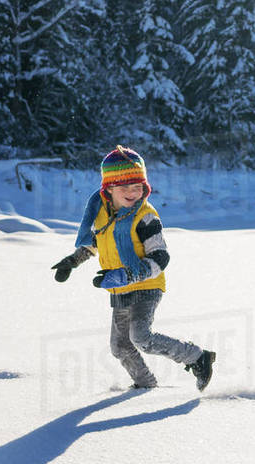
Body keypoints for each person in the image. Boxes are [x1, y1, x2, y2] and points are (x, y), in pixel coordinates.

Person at [51, 145, 215, 391]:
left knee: (141, 337)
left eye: (137, 187)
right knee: (119, 346)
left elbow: (161, 258)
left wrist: (128, 275)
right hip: (120, 290)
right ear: (109, 189)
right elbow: (99, 244)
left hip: (147, 285)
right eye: (124, 187)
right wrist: (72, 262)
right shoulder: (103, 214)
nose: (132, 192)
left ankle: (197, 357)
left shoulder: (145, 216)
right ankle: (145, 384)